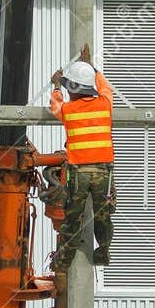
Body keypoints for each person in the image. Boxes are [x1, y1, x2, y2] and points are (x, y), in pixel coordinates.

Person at [47, 43, 116, 270]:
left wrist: (56, 84)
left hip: (79, 173)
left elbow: (55, 105)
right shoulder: (105, 104)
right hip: (103, 171)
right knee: (103, 214)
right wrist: (90, 66)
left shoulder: (68, 110)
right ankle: (104, 251)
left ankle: (64, 260)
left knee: (73, 216)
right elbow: (104, 86)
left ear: (73, 89)